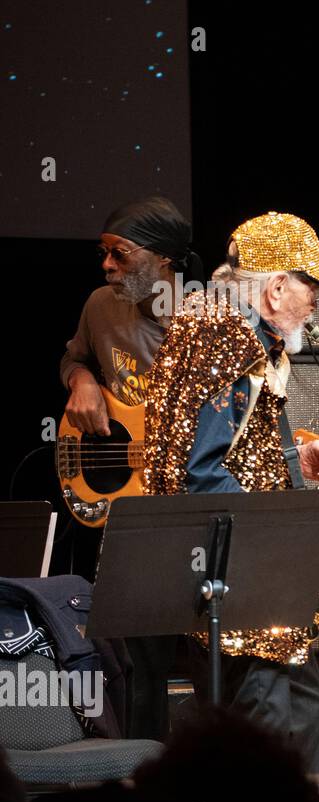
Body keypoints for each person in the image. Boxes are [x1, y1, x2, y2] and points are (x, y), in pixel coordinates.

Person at [143, 211, 319, 771]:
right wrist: (290, 556)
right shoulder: (226, 338)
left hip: (235, 576)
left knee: (299, 708)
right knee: (271, 732)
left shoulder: (219, 326)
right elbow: (202, 473)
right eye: (309, 286)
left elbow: (220, 443)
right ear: (277, 287)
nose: (316, 301)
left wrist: (297, 453)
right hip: (242, 583)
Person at [59, 195, 201, 741]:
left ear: (165, 259)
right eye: (104, 254)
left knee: (208, 653)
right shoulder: (100, 306)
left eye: (120, 255)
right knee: (139, 665)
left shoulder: (202, 319)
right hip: (131, 510)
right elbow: (73, 356)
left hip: (191, 505)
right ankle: (145, 780)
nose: (107, 266)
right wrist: (83, 380)